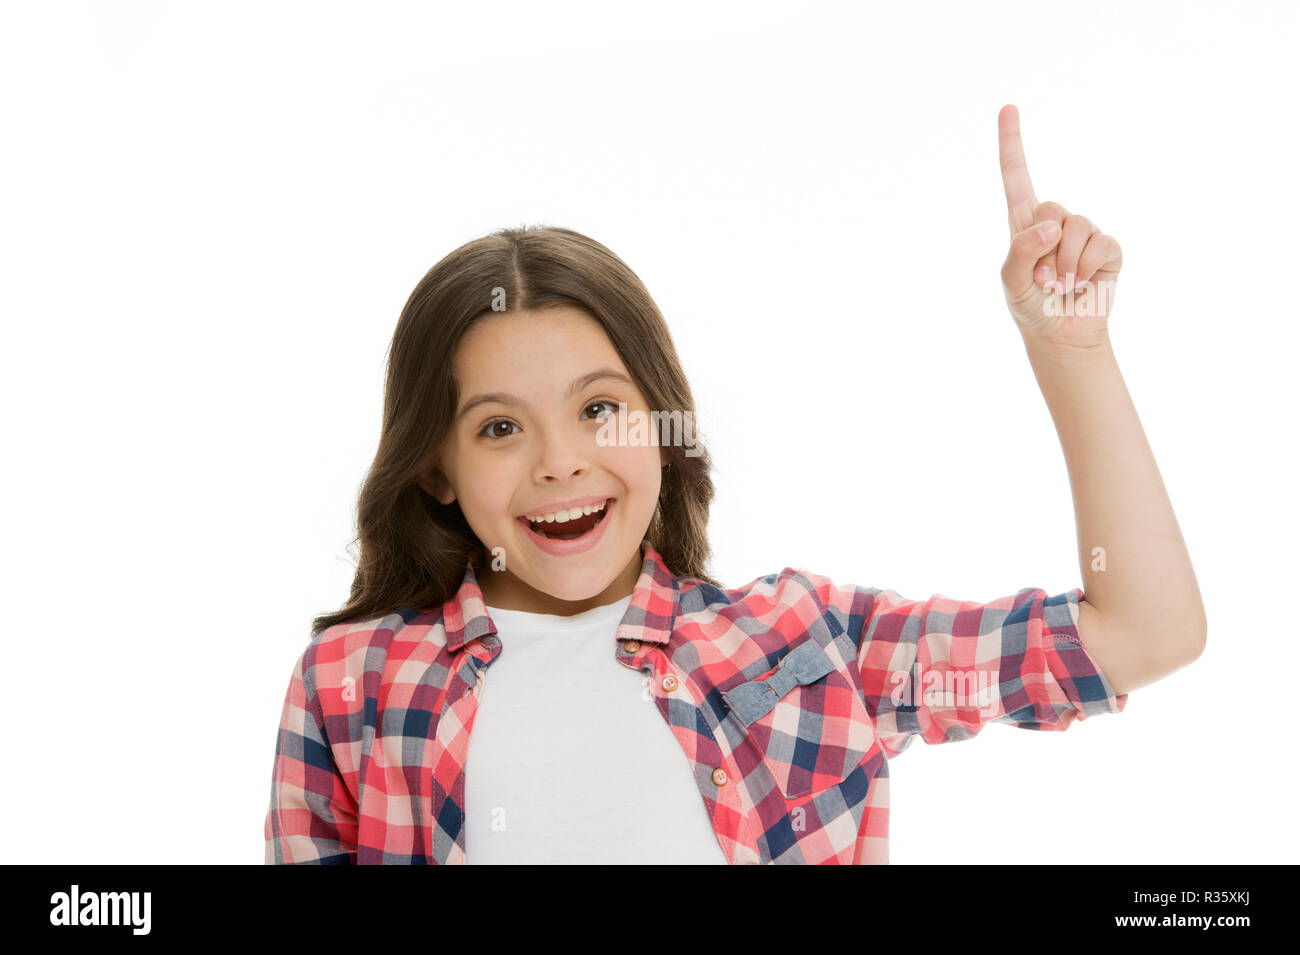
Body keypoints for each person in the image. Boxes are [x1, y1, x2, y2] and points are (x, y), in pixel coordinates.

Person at [263, 105, 1206, 864]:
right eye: (501, 427)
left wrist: (1068, 347)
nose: (560, 461)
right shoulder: (352, 685)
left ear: (664, 428)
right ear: (434, 465)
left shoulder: (805, 645)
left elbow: (1144, 632)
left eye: (599, 410)